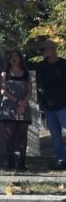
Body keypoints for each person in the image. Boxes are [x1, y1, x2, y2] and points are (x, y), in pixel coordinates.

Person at [34, 38, 66, 170]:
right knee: (55, 137)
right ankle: (62, 160)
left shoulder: (64, 64)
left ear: (52, 50)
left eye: (44, 50)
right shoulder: (41, 66)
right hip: (48, 107)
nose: (43, 53)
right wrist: (42, 101)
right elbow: (38, 85)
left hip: (64, 105)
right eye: (42, 51)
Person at [0, 49, 31, 170]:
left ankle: (22, 163)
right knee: (9, 135)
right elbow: (3, 91)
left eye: (16, 56)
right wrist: (17, 101)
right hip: (9, 107)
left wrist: (23, 104)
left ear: (20, 59)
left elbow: (30, 92)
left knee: (23, 135)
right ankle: (10, 162)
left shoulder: (26, 74)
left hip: (23, 107)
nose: (14, 58)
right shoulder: (5, 73)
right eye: (11, 56)